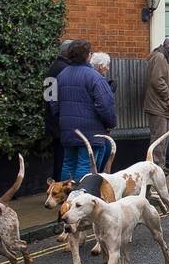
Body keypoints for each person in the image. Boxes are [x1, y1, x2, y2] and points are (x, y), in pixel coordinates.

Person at [51, 40, 116, 180]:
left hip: (68, 128)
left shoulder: (61, 75)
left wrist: (63, 119)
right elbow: (105, 105)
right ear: (87, 56)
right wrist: (110, 123)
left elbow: (54, 104)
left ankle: (68, 198)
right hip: (91, 130)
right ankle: (82, 196)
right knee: (86, 165)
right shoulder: (95, 77)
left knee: (68, 164)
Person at [143, 37, 169, 168]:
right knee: (158, 139)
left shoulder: (164, 57)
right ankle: (155, 167)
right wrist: (168, 94)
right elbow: (157, 80)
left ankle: (160, 166)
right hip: (158, 105)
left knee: (163, 139)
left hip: (162, 105)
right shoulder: (159, 57)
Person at [44, 40, 73, 181]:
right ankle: (59, 188)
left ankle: (55, 186)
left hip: (52, 119)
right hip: (61, 121)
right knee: (63, 159)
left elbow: (48, 96)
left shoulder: (54, 67)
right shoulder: (65, 69)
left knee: (59, 157)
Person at [89, 51, 116, 172]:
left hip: (94, 125)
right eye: (107, 66)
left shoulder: (92, 77)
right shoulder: (97, 79)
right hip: (98, 126)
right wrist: (110, 124)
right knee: (100, 155)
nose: (108, 68)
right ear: (100, 66)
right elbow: (103, 105)